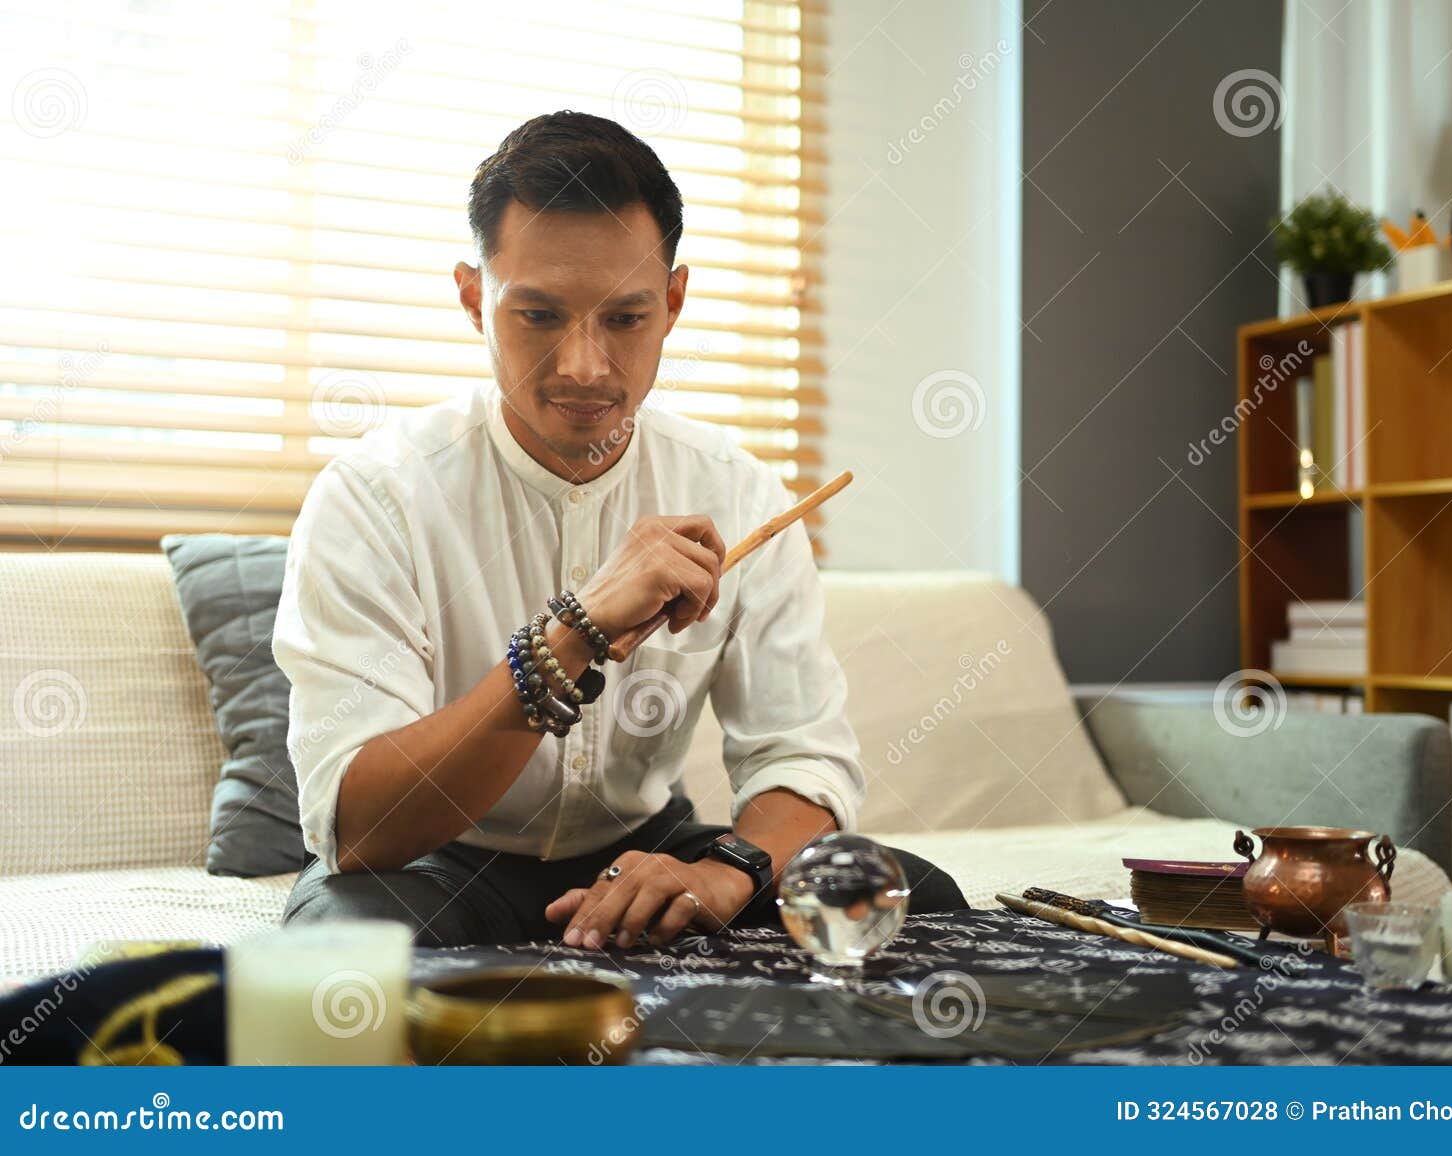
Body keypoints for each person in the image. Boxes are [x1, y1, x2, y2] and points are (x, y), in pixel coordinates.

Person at [273, 111, 967, 950]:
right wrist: (575, 631)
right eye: (537, 316)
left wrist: (721, 875)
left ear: (673, 302)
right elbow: (361, 828)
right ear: (472, 299)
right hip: (432, 866)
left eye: (626, 319)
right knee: (341, 948)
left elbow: (801, 758)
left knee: (915, 895)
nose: (584, 367)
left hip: (644, 852)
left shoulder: (740, 494)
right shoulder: (373, 497)